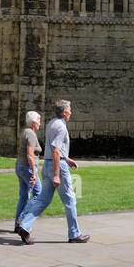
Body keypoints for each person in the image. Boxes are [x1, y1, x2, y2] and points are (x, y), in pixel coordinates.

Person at [16, 100, 89, 245]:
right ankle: (74, 234)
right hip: (57, 166)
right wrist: (57, 174)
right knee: (70, 200)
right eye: (69, 110)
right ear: (64, 112)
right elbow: (56, 150)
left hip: (48, 164)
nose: (71, 112)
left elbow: (54, 149)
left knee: (43, 200)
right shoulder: (61, 127)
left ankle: (24, 226)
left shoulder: (51, 123)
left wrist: (67, 159)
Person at [14, 110, 42, 233]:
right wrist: (34, 173)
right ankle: (21, 221)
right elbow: (30, 155)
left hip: (20, 166)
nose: (40, 123)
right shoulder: (30, 133)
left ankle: (17, 225)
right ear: (34, 122)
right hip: (26, 167)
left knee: (24, 196)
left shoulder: (25, 132)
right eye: (39, 121)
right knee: (38, 193)